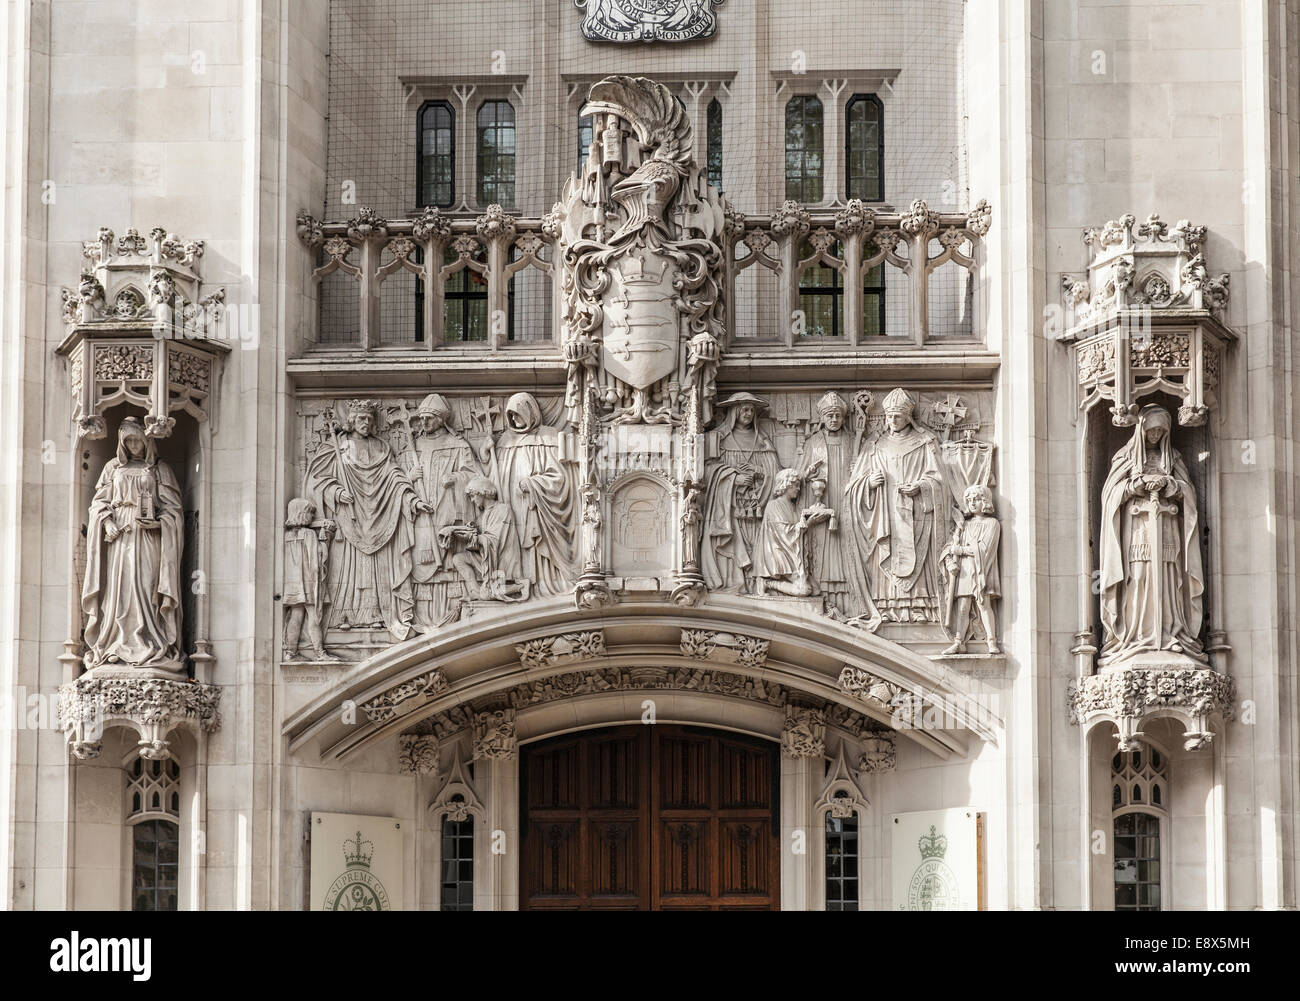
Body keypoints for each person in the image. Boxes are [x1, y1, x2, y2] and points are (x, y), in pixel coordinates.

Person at [305, 399, 431, 639]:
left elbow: (394, 479)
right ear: (351, 420)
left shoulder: (382, 448)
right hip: (349, 517)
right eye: (361, 418)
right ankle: (345, 618)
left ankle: (378, 616)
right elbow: (316, 481)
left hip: (382, 517)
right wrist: (336, 491)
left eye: (369, 419)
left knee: (378, 571)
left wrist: (412, 498)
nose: (366, 423)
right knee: (349, 570)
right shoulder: (338, 446)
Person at [1098, 404, 1205, 664]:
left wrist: (1171, 485)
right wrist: (1136, 484)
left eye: (1160, 431)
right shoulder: (1125, 457)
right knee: (1140, 577)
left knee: (1169, 578)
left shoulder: (1174, 459)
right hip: (1138, 531)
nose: (1155, 435)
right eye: (1151, 430)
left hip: (1167, 529)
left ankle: (1170, 634)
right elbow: (1110, 496)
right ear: (1141, 430)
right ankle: (1136, 636)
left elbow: (1189, 493)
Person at [81, 416, 185, 675]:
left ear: (147, 440)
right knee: (119, 588)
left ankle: (150, 639)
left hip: (149, 536)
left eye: (138, 440)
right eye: (128, 441)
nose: (134, 445)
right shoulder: (112, 468)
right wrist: (106, 523)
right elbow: (98, 504)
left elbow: (174, 510)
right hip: (120, 537)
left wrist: (160, 524)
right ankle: (116, 642)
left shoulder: (160, 469)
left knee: (147, 586)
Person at [844, 388, 951, 623]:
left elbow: (940, 480)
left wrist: (922, 487)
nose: (893, 420)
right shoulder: (874, 445)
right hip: (885, 514)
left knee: (917, 559)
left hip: (916, 512)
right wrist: (868, 484)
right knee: (888, 555)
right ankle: (887, 608)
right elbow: (852, 487)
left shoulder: (924, 442)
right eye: (889, 416)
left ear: (908, 417)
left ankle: (920, 608)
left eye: (898, 416)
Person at [406, 393, 481, 626]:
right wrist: (410, 478)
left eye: (430, 418)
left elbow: (474, 477)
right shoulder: (413, 447)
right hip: (421, 516)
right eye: (422, 419)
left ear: (441, 419)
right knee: (422, 560)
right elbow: (396, 483)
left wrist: (456, 478)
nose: (425, 423)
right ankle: (424, 617)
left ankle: (456, 608)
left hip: (448, 511)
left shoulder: (458, 445)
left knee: (450, 563)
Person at [491, 392, 576, 596]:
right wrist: (487, 455)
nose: (514, 420)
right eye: (511, 416)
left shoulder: (548, 436)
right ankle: (521, 583)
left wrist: (534, 483)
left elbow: (559, 478)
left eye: (518, 414)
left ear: (530, 412)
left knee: (536, 542)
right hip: (512, 505)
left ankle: (544, 582)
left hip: (536, 506)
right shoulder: (505, 441)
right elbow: (493, 480)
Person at [702, 392, 781, 592]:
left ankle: (758, 585)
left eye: (752, 410)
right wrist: (733, 478)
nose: (748, 414)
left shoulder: (763, 440)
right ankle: (735, 584)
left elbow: (775, 472)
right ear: (734, 411)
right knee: (735, 545)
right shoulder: (719, 438)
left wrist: (758, 472)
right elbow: (707, 472)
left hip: (757, 507)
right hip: (729, 507)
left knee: (756, 544)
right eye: (744, 409)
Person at [799, 391, 857, 611]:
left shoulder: (852, 441)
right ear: (822, 418)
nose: (834, 420)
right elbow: (799, 475)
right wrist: (808, 472)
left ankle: (849, 598)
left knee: (844, 546)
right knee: (822, 548)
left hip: (847, 501)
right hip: (822, 501)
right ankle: (823, 593)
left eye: (838, 416)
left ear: (843, 418)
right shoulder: (813, 442)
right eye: (830, 416)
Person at [445, 476, 528, 602]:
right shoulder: (482, 515)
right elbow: (480, 536)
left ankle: (520, 586)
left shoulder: (503, 509)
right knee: (458, 559)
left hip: (500, 558)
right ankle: (475, 591)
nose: (472, 500)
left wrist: (473, 537)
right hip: (486, 556)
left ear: (482, 492)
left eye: (473, 496)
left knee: (490, 594)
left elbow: (495, 539)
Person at [940, 485, 1001, 654]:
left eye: (976, 499)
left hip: (982, 569)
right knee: (963, 606)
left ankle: (991, 640)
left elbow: (984, 548)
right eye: (969, 500)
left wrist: (960, 550)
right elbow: (950, 547)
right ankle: (959, 641)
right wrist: (950, 562)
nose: (972, 503)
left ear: (985, 501)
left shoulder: (992, 524)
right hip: (965, 570)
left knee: (983, 604)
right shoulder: (964, 525)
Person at [283, 498, 338, 661]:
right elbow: (317, 558)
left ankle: (290, 653)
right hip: (308, 581)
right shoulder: (308, 534)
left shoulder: (287, 535)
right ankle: (319, 652)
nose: (312, 517)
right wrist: (326, 538)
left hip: (293, 584)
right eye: (310, 513)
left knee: (296, 616)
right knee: (314, 618)